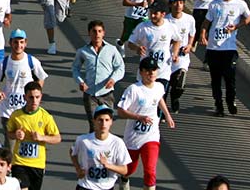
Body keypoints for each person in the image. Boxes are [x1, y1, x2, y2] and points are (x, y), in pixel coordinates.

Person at [117, 57, 175, 190]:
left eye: (154, 70)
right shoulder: (133, 90)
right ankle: (124, 179)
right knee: (129, 169)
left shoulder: (159, 86)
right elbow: (120, 111)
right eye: (148, 71)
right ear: (141, 72)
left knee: (150, 171)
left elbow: (159, 98)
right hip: (133, 137)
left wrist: (167, 115)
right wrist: (138, 117)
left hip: (151, 136)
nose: (151, 74)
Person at [201, 0, 250, 116]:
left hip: (229, 48)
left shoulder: (240, 4)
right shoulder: (214, 4)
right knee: (215, 80)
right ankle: (219, 105)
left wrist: (236, 26)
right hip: (213, 48)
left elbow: (249, 18)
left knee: (230, 78)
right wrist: (203, 34)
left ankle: (230, 100)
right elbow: (207, 21)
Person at [6, 82, 61, 190]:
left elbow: (57, 138)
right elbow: (9, 133)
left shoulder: (45, 117)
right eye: (31, 97)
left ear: (41, 97)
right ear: (24, 97)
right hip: (19, 162)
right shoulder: (16, 115)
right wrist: (15, 134)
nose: (34, 101)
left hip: (37, 164)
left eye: (37, 97)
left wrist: (42, 137)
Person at [0, 30, 49, 127]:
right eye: (15, 42)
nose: (18, 45)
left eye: (21, 42)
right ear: (10, 43)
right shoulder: (4, 63)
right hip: (8, 109)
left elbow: (41, 77)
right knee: (10, 140)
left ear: (25, 43)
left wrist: (36, 92)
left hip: (27, 108)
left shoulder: (32, 61)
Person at [72, 20, 124, 128]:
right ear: (89, 33)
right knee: (94, 125)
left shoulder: (112, 50)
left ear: (103, 33)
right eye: (94, 31)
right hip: (90, 93)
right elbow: (75, 68)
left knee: (106, 125)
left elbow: (120, 67)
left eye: (99, 31)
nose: (97, 34)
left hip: (107, 93)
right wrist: (80, 81)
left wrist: (113, 79)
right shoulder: (83, 51)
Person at [71, 105, 131, 190]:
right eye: (100, 120)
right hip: (85, 186)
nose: (103, 124)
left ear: (111, 122)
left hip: (106, 187)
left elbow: (124, 170)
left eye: (107, 120)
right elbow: (72, 152)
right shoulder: (83, 140)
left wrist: (108, 165)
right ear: (94, 121)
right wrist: (78, 168)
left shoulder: (117, 143)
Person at [164, 0, 196, 112]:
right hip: (168, 57)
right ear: (170, 4)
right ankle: (162, 110)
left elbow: (192, 34)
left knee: (180, 81)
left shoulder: (189, 19)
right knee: (166, 84)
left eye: (181, 2)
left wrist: (189, 45)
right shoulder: (166, 21)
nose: (178, 5)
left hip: (182, 57)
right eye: (176, 2)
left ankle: (175, 98)